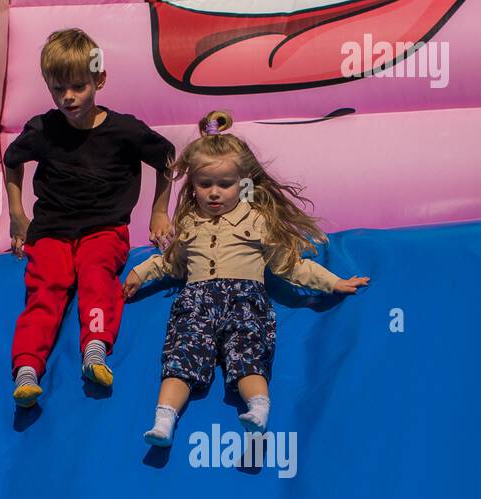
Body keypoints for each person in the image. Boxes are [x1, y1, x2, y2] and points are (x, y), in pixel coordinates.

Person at [124, 109, 369, 446]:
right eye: (204, 184)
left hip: (245, 302)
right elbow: (172, 263)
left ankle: (258, 409)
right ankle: (163, 420)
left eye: (225, 184)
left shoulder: (256, 220)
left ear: (243, 183)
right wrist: (140, 273)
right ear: (192, 184)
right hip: (195, 304)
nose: (214, 192)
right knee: (181, 358)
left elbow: (290, 265)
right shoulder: (190, 224)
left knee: (249, 356)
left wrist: (334, 282)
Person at [5, 28, 175, 407]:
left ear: (99, 80)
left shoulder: (125, 131)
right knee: (45, 287)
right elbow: (12, 162)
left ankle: (94, 350)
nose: (68, 97)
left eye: (78, 87)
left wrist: (160, 211)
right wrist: (18, 215)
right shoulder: (42, 129)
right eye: (57, 89)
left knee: (97, 276)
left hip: (104, 229)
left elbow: (167, 158)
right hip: (51, 229)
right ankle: (27, 369)